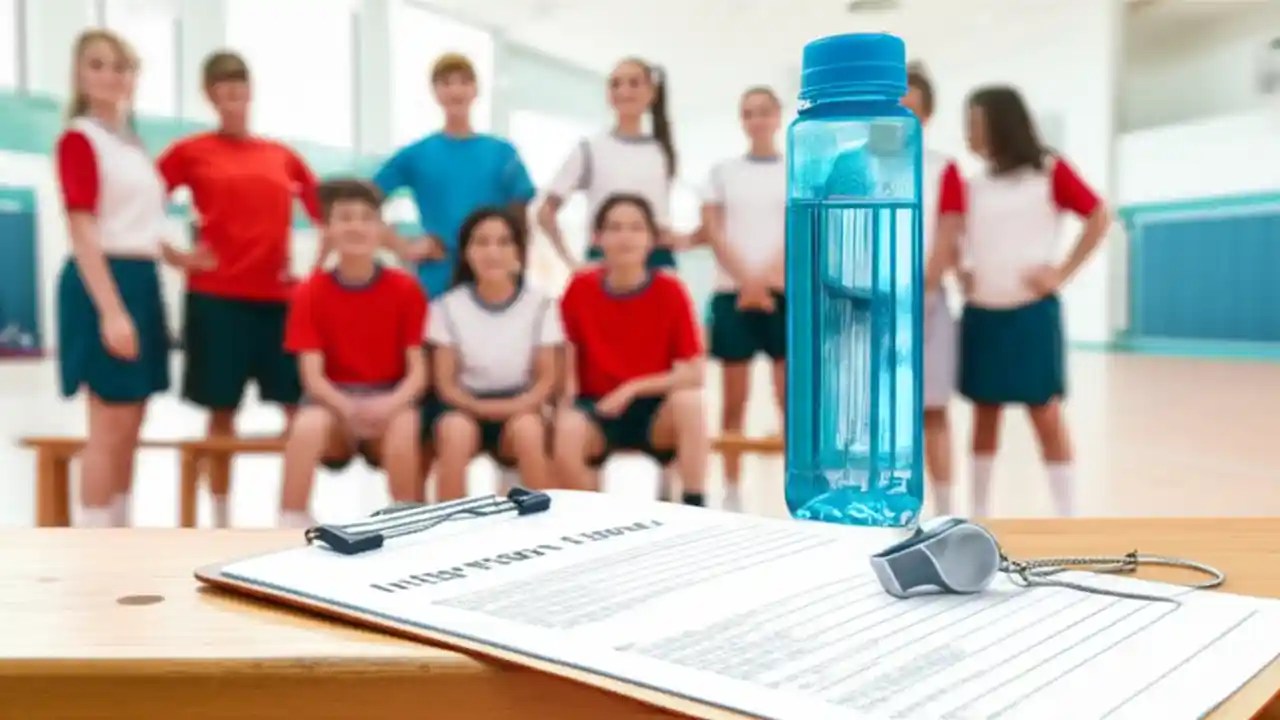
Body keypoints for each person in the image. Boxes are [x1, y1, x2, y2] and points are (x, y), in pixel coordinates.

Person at [157, 50, 325, 527]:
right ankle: (220, 514)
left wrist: (317, 272)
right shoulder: (190, 152)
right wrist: (178, 256)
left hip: (278, 302)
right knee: (221, 413)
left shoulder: (282, 155)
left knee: (296, 411)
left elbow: (324, 214)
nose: (232, 97)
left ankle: (294, 511)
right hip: (216, 301)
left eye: (239, 87)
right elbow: (139, 204)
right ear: (210, 96)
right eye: (222, 89)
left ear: (250, 92)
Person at [54, 30, 209, 526]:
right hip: (104, 280)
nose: (110, 76)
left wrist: (182, 259)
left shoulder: (132, 143)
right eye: (97, 65)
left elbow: (140, 224)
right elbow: (83, 228)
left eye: (120, 67)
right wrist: (112, 310)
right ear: (80, 74)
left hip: (142, 278)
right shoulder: (80, 138)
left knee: (133, 421)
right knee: (109, 422)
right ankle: (94, 539)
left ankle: (120, 533)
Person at [935, 85, 1111, 518]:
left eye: (974, 124)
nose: (969, 135)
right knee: (984, 414)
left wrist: (1062, 272)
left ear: (1000, 123)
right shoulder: (969, 184)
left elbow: (1099, 215)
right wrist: (961, 271)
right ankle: (978, 513)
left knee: (1045, 413)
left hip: (1031, 312)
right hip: (982, 312)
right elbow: (951, 234)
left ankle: (1067, 515)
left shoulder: (1049, 171)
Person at [279, 180, 427, 528]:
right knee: (306, 425)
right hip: (332, 403)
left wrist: (388, 405)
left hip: (388, 399)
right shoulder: (311, 290)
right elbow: (312, 377)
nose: (356, 226)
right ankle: (289, 521)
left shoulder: (406, 289)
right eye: (345, 218)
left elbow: (418, 371)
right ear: (328, 229)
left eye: (365, 218)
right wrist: (346, 408)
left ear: (381, 230)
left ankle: (409, 523)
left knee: (405, 425)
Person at [553, 194, 708, 505]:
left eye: (636, 228)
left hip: (654, 413)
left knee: (690, 403)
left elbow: (694, 374)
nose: (625, 236)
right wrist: (563, 405)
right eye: (615, 227)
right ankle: (586, 521)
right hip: (596, 410)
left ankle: (695, 506)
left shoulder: (671, 290)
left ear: (651, 239)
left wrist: (633, 388)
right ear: (598, 238)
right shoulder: (579, 288)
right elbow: (564, 355)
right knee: (566, 428)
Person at [374, 53, 537, 301]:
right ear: (435, 92)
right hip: (438, 279)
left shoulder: (502, 153)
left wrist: (518, 269)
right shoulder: (417, 155)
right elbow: (363, 201)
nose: (456, 90)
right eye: (446, 83)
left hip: (492, 277)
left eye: (463, 81)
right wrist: (403, 246)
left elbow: (520, 218)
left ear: (475, 90)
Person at [423, 208, 561, 500]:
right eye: (481, 242)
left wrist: (514, 407)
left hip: (522, 405)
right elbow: (445, 383)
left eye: (503, 242)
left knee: (528, 431)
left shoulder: (542, 305)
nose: (492, 252)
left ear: (520, 252)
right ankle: (450, 526)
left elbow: (546, 379)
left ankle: (545, 523)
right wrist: (480, 408)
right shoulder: (446, 307)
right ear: (466, 252)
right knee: (454, 431)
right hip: (464, 405)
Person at [699, 86, 787, 511]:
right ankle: (732, 494)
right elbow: (713, 230)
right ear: (741, 119)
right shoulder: (722, 171)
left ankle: (796, 488)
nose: (757, 120)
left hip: (782, 296)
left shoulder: (798, 169)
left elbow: (799, 230)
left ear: (777, 116)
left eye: (764, 112)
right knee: (733, 401)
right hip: (732, 295)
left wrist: (766, 281)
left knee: (790, 400)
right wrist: (747, 282)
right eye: (748, 112)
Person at [538, 58, 687, 271]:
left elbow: (660, 216)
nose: (624, 91)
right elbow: (545, 212)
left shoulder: (661, 151)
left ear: (651, 93)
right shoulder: (589, 149)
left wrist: (678, 238)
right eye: (616, 84)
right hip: (604, 263)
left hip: (657, 263)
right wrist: (571, 264)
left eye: (634, 83)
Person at [902, 64, 965, 516]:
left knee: (932, 409)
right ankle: (890, 502)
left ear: (926, 114)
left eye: (910, 106)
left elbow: (946, 233)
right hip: (872, 304)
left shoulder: (943, 168)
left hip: (925, 301)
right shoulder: (859, 162)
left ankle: (943, 505)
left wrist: (923, 287)